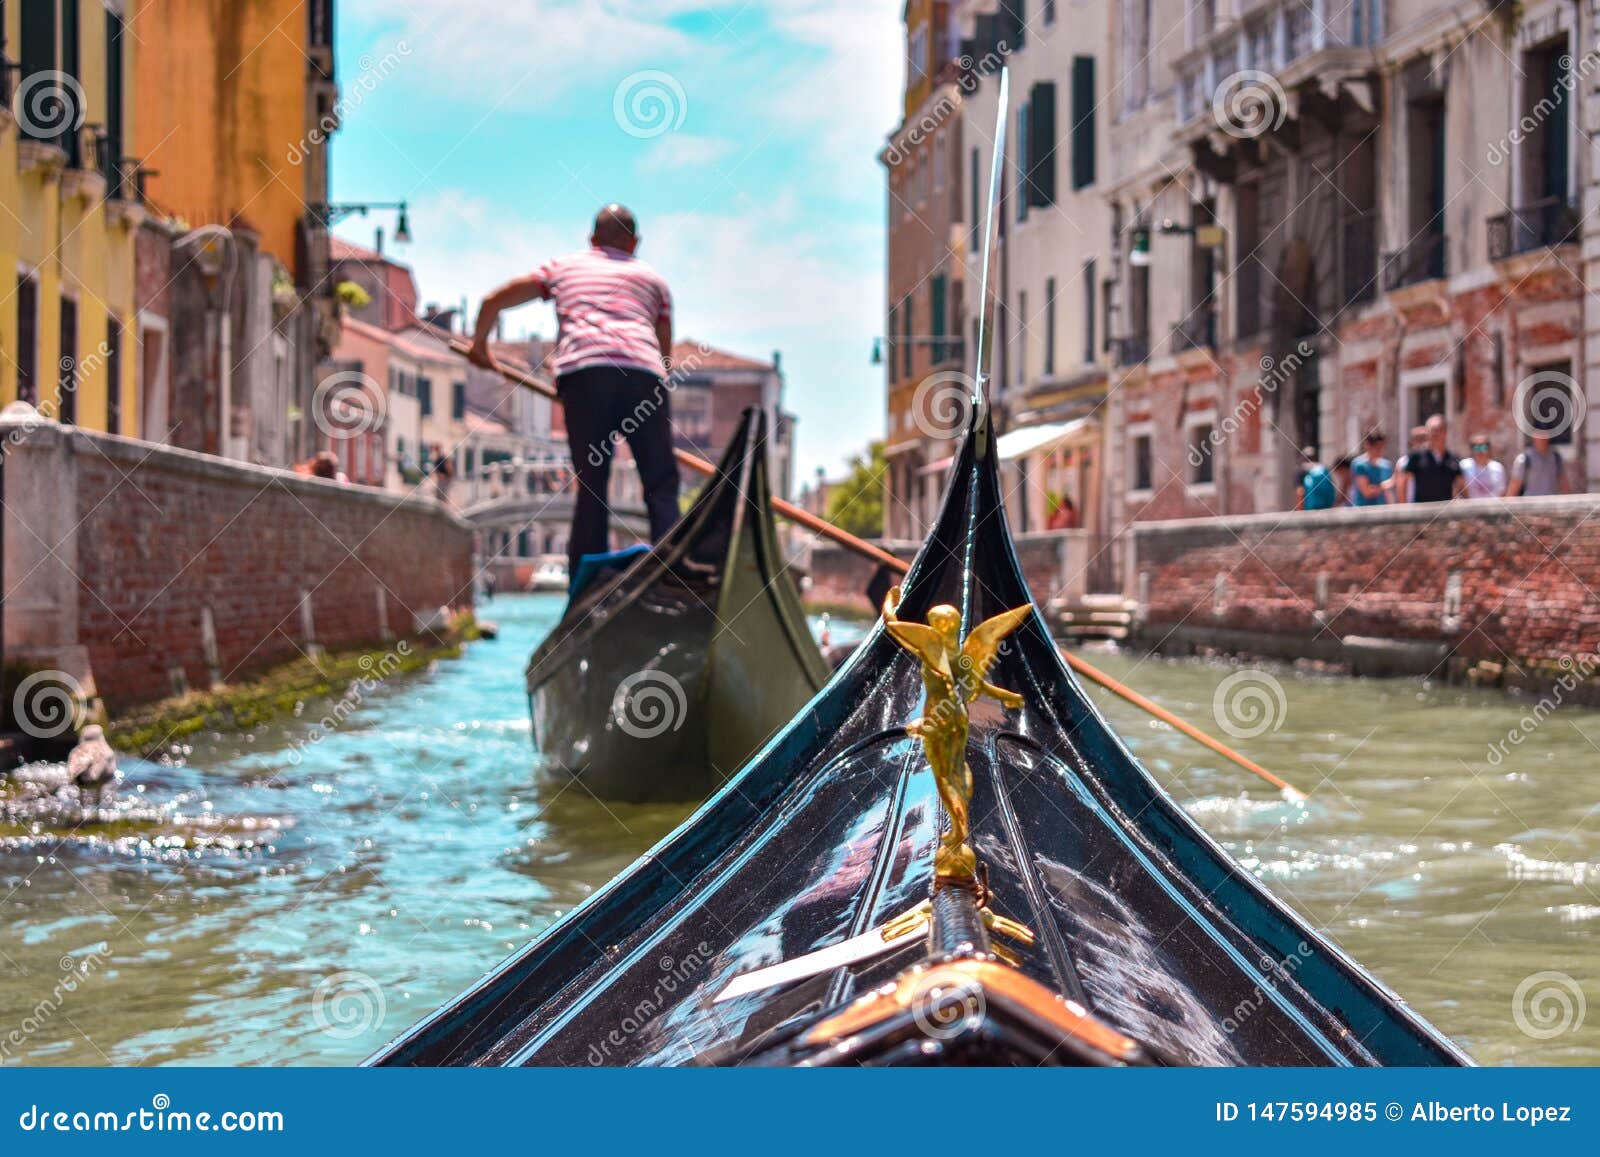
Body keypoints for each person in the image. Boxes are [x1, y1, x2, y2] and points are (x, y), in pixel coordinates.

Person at [466, 204, 679, 576]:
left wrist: (480, 347)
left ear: (592, 240)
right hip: (643, 376)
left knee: (592, 485)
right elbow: (664, 356)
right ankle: (675, 572)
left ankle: (586, 583)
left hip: (584, 375)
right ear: (635, 242)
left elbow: (492, 301)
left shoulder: (563, 267)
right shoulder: (654, 281)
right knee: (660, 482)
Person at [1394, 414, 1464, 502]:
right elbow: (1402, 483)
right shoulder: (1416, 456)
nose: (1435, 434)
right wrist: (1404, 509)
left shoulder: (1452, 459)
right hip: (1421, 512)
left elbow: (1461, 486)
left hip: (1445, 512)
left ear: (1445, 432)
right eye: (1432, 430)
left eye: (1438, 430)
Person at [1350, 430, 1392, 506]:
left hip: (1382, 509)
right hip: (1364, 510)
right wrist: (1386, 484)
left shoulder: (1386, 465)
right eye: (1377, 447)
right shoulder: (1359, 464)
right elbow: (1366, 492)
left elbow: (1388, 494)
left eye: (1382, 447)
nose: (1380, 451)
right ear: (1368, 445)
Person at [1461, 434, 1507, 499]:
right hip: (1470, 508)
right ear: (1471, 450)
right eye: (1476, 448)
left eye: (1483, 447)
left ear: (1489, 449)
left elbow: (1502, 492)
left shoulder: (1498, 468)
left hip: (1493, 507)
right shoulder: (1464, 467)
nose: (1480, 451)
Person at [1295, 446, 1336, 510]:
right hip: (1326, 507)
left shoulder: (1302, 470)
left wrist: (1299, 508)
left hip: (1310, 508)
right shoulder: (1324, 469)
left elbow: (1300, 491)